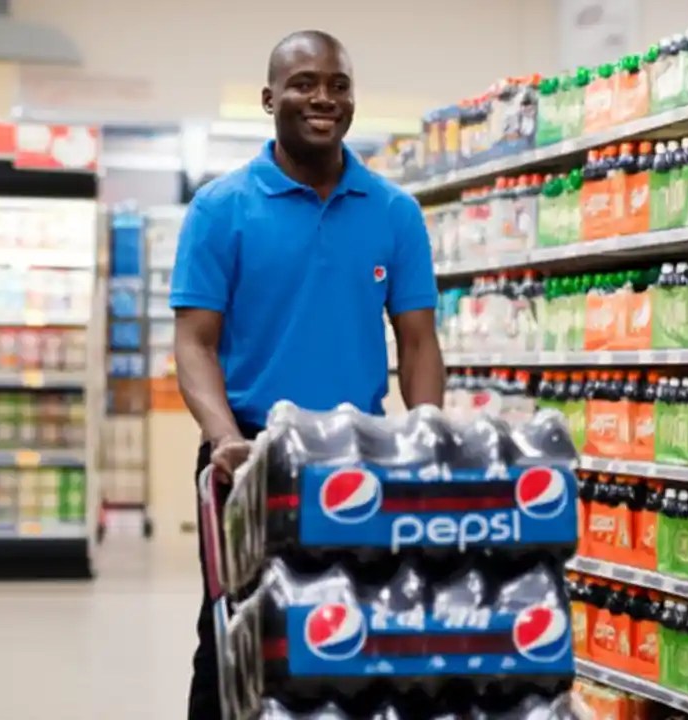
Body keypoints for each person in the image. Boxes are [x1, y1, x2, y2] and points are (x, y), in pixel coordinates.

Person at [169, 29, 446, 720]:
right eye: (303, 83)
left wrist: (427, 433)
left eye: (338, 84)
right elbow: (194, 343)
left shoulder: (393, 212)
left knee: (351, 631)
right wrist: (223, 435)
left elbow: (417, 342)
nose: (323, 97)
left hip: (358, 459)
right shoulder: (220, 208)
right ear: (270, 99)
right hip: (249, 457)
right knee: (236, 635)